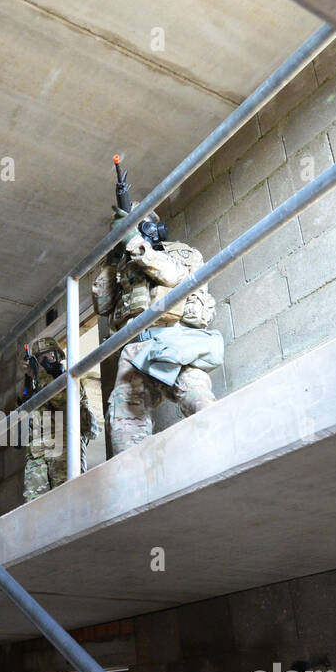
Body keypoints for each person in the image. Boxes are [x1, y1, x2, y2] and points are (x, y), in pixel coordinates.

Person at [92, 161, 223, 454]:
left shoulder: (181, 252)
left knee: (196, 397)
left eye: (138, 226)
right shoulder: (121, 263)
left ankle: (223, 454)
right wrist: (115, 254)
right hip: (135, 350)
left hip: (174, 339)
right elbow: (101, 304)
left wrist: (136, 243)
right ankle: (132, 490)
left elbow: (173, 277)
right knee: (123, 422)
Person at [17, 335, 98, 501]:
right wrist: (30, 378)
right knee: (35, 510)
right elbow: (22, 409)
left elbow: (63, 401)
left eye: (52, 355)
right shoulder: (34, 384)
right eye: (42, 357)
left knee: (68, 501)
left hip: (64, 447)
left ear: (59, 357)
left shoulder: (70, 379)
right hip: (37, 452)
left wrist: (40, 376)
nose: (49, 360)